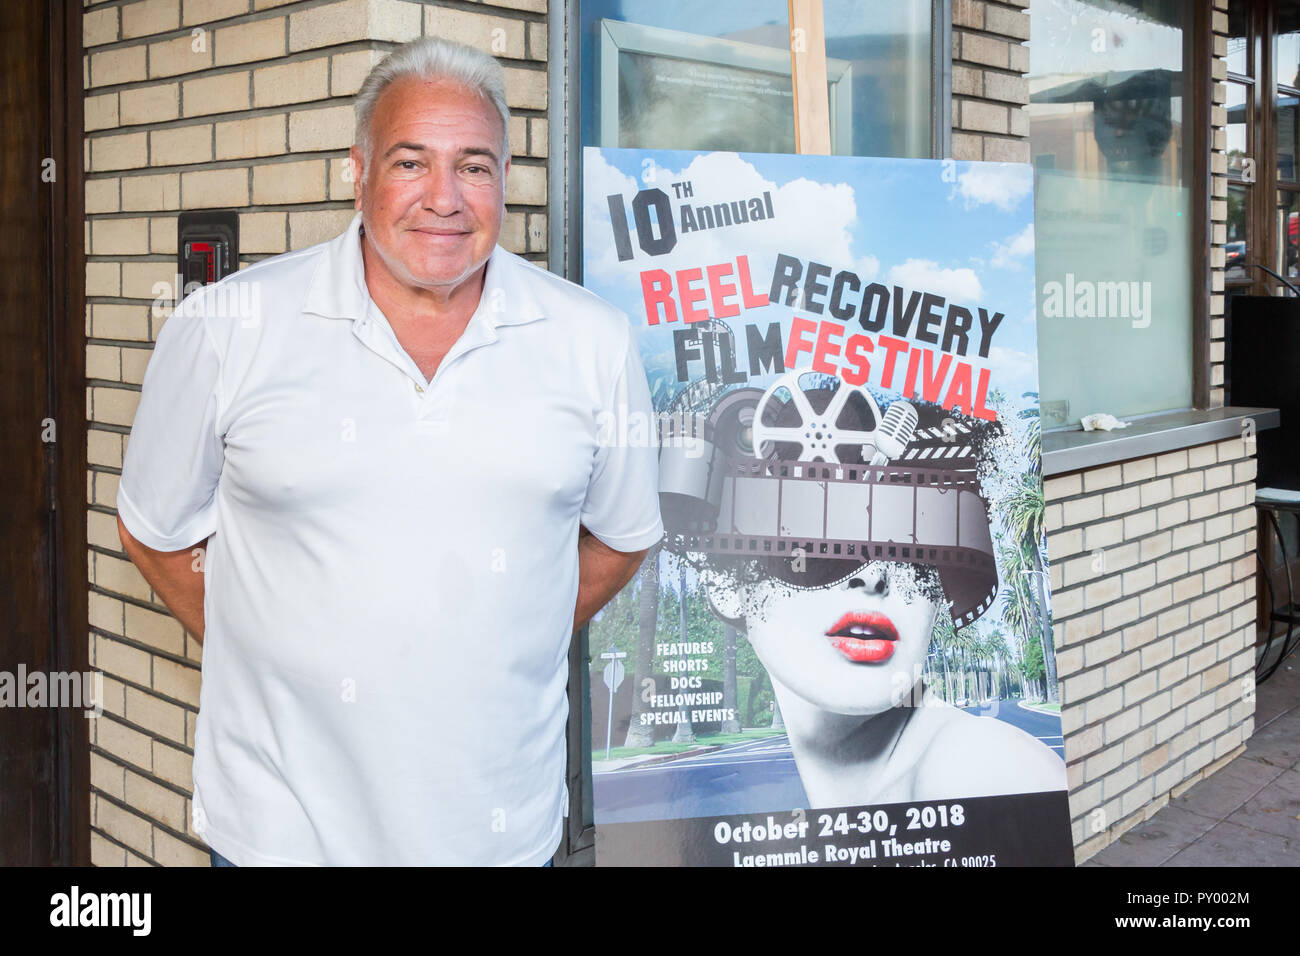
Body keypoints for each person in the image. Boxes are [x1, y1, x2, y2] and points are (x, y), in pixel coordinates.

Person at [116, 36, 664, 866]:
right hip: (281, 837)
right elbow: (155, 531)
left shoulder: (592, 339)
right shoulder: (226, 327)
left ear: (505, 179)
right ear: (360, 169)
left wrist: (489, 639)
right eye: (412, 162)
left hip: (500, 835)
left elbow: (620, 540)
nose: (444, 198)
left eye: (474, 167)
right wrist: (272, 657)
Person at [691, 389, 1065, 809]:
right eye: (819, 529)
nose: (872, 572)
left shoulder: (986, 773)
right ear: (723, 582)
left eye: (910, 539)